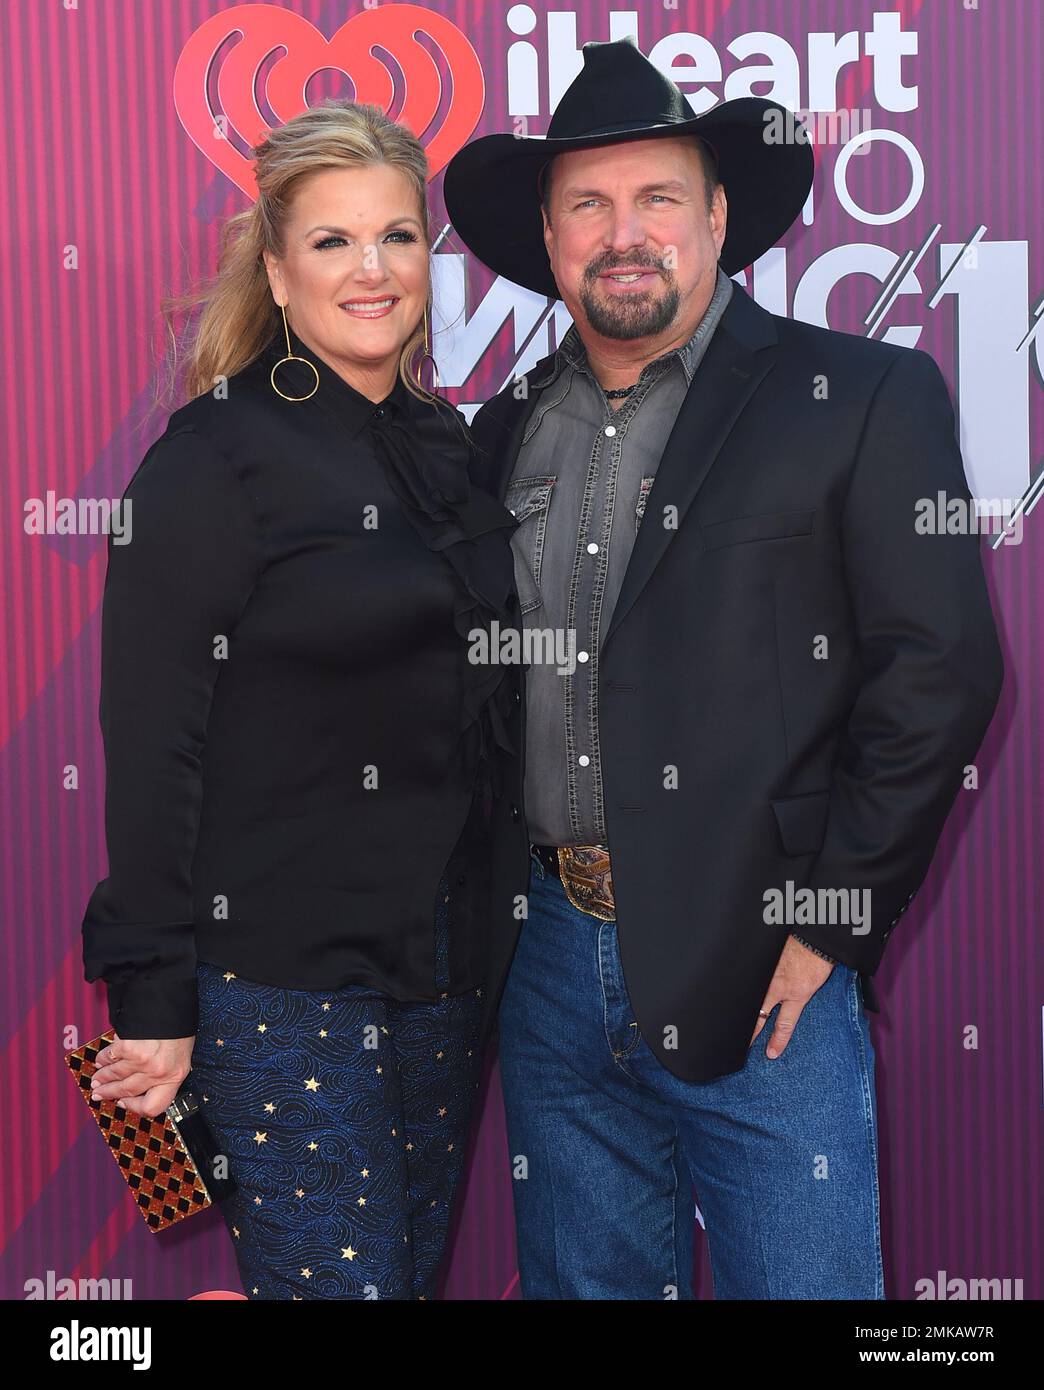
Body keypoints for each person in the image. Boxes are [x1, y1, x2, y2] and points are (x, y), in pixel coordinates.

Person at [443, 38, 1004, 1299]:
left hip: (769, 975)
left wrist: (832, 919)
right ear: (547, 232)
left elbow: (941, 669)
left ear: (719, 218)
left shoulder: (858, 395)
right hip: (544, 970)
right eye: (589, 203)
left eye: (657, 198)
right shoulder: (506, 431)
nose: (623, 232)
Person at [81, 99, 529, 1300]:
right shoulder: (213, 459)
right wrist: (155, 999)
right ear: (277, 272)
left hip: (442, 967)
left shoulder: (444, 440)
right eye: (332, 242)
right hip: (282, 978)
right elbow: (154, 744)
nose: (372, 270)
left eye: (398, 236)